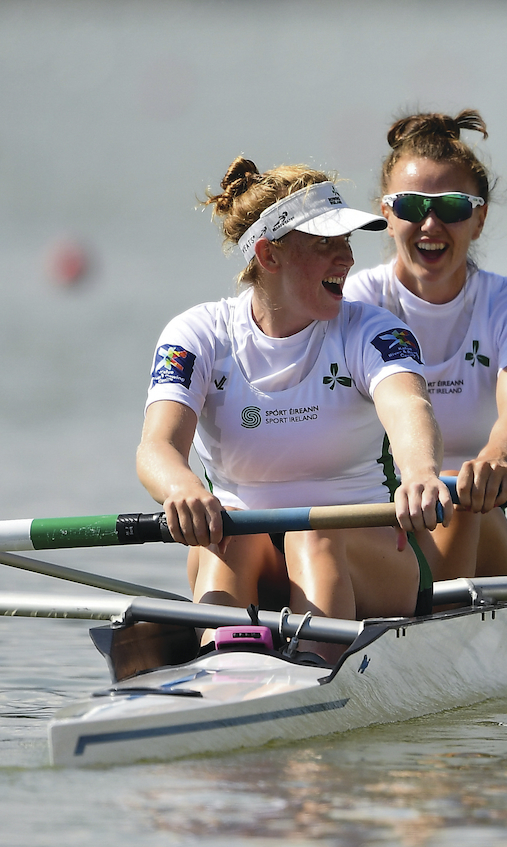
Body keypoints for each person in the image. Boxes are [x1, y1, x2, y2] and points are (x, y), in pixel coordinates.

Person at [137, 158, 454, 657]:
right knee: (231, 535)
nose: (347, 258)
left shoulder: (374, 331)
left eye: (346, 241)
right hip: (245, 550)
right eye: (326, 243)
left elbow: (409, 405)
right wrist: (181, 489)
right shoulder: (196, 335)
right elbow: (157, 447)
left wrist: (420, 471)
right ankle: (224, 666)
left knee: (314, 533)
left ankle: (312, 667)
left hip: (369, 556)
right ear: (268, 254)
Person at [344, 109, 507, 581]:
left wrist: (496, 458)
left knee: (457, 499)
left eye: (453, 207)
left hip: (472, 519)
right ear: (387, 215)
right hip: (377, 524)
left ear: (479, 218)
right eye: (411, 206)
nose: (430, 224)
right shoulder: (353, 304)